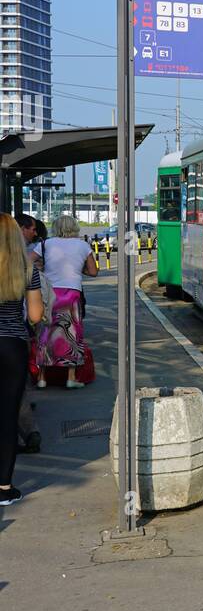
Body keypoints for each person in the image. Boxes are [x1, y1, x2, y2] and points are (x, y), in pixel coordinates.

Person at [0, 214, 43, 504]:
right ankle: (4, 488)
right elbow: (36, 315)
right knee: (7, 416)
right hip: (12, 346)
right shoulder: (27, 268)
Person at [36, 214, 98, 389]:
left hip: (49, 292)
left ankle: (42, 378)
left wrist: (43, 267)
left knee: (45, 332)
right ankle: (71, 377)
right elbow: (93, 272)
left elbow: (29, 260)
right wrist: (79, 270)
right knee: (72, 333)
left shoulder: (46, 244)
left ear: (56, 227)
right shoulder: (83, 245)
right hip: (72, 293)